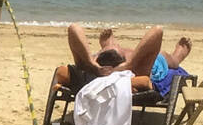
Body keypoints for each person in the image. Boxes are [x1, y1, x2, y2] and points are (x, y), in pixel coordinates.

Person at [56, 24, 191, 97]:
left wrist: (92, 64)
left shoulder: (88, 65)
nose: (118, 46)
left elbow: (73, 28)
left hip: (101, 63)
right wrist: (129, 64)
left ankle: (107, 44)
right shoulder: (137, 69)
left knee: (111, 48)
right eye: (117, 47)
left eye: (116, 46)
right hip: (136, 62)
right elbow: (157, 30)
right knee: (168, 59)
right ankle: (178, 55)